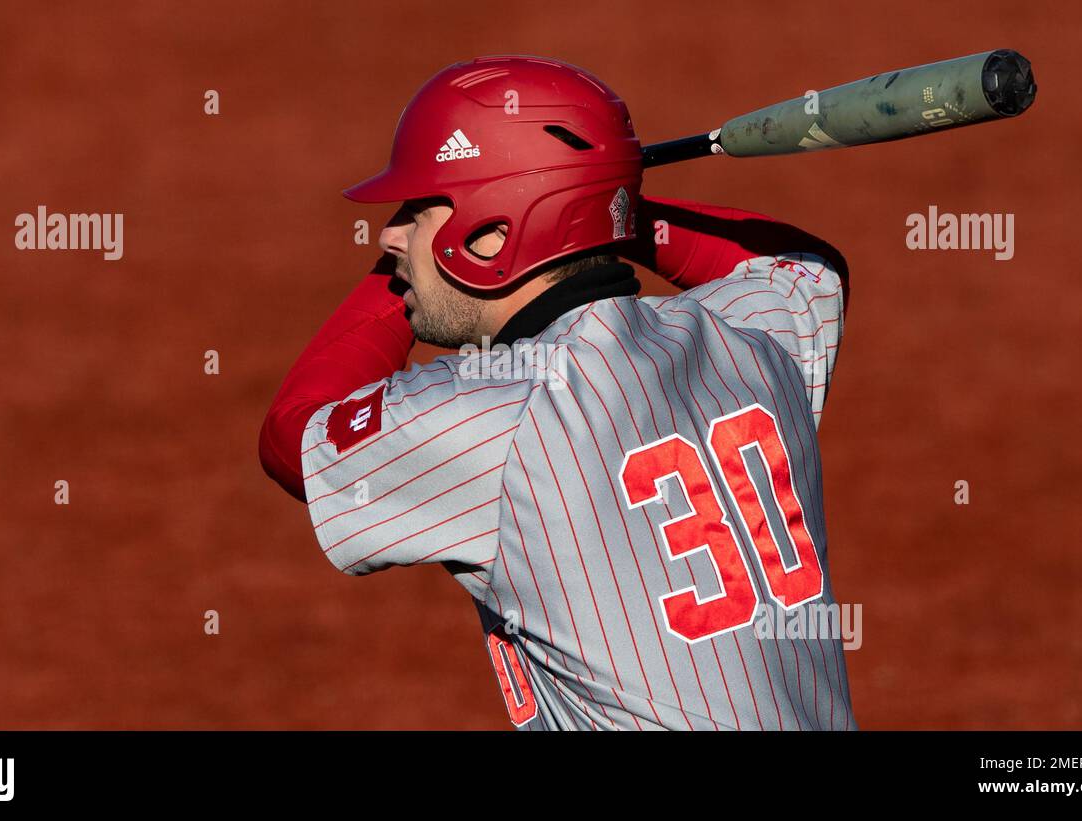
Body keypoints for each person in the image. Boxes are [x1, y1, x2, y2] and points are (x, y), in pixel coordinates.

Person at [260, 55, 854, 730]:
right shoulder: (755, 346)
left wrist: (592, 203)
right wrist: (607, 202)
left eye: (415, 211)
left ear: (489, 233)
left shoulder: (496, 418)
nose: (388, 237)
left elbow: (294, 433)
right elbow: (804, 266)